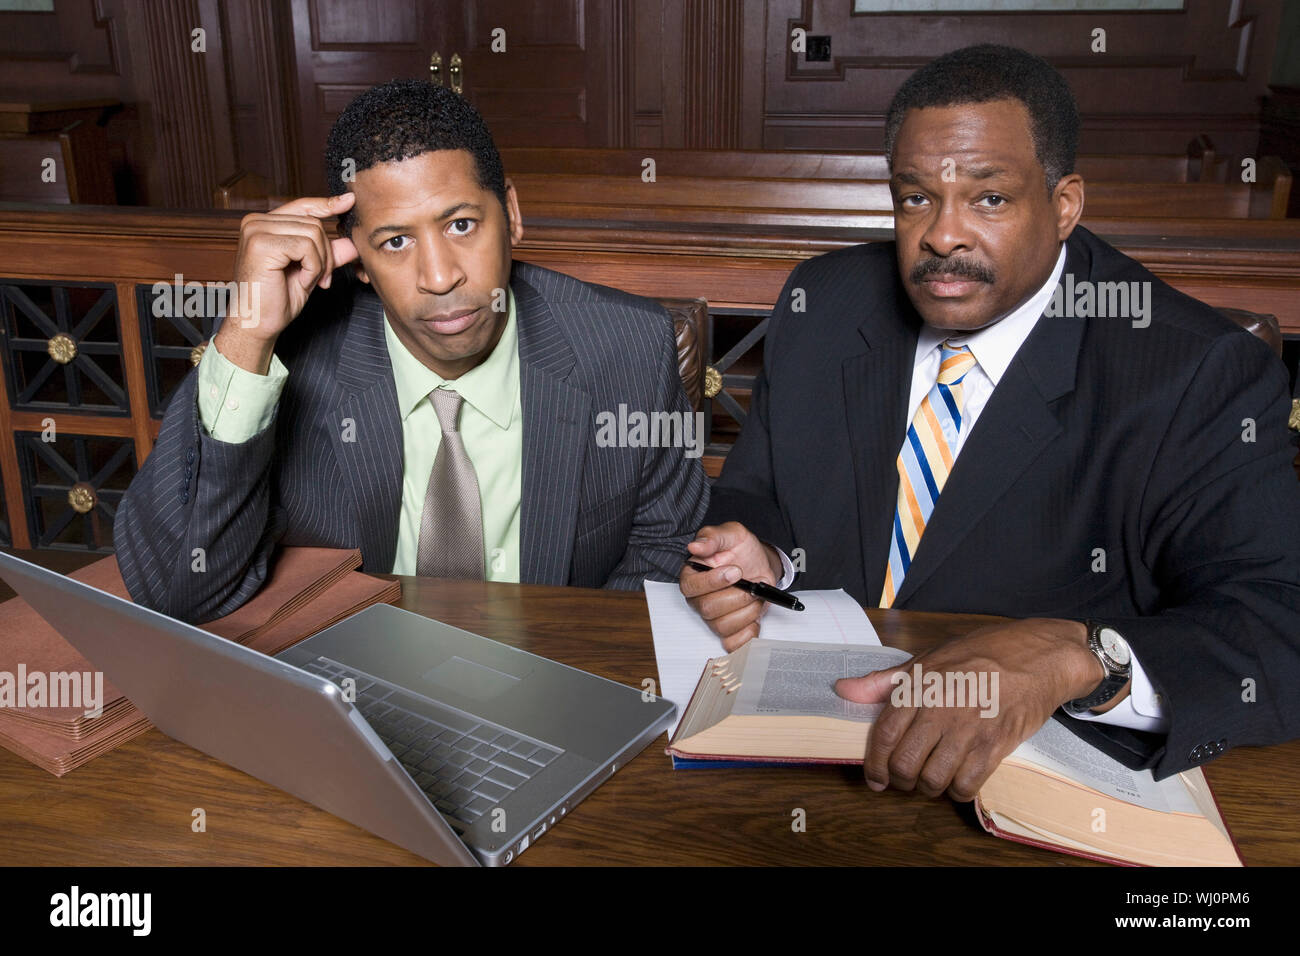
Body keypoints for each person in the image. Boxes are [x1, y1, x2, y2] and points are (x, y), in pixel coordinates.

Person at [680, 44, 1300, 798]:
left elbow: (1277, 623)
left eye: (989, 199)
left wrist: (1084, 656)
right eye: (915, 198)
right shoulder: (823, 302)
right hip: (800, 752)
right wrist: (761, 553)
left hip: (1032, 780)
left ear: (1065, 203)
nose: (943, 235)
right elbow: (757, 491)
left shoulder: (1194, 370)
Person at [115, 79, 708, 624]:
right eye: (395, 241)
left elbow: (659, 553)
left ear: (513, 216)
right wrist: (247, 334)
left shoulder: (629, 347)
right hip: (351, 693)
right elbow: (178, 593)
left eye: (460, 226)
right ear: (357, 260)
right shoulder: (294, 356)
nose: (439, 276)